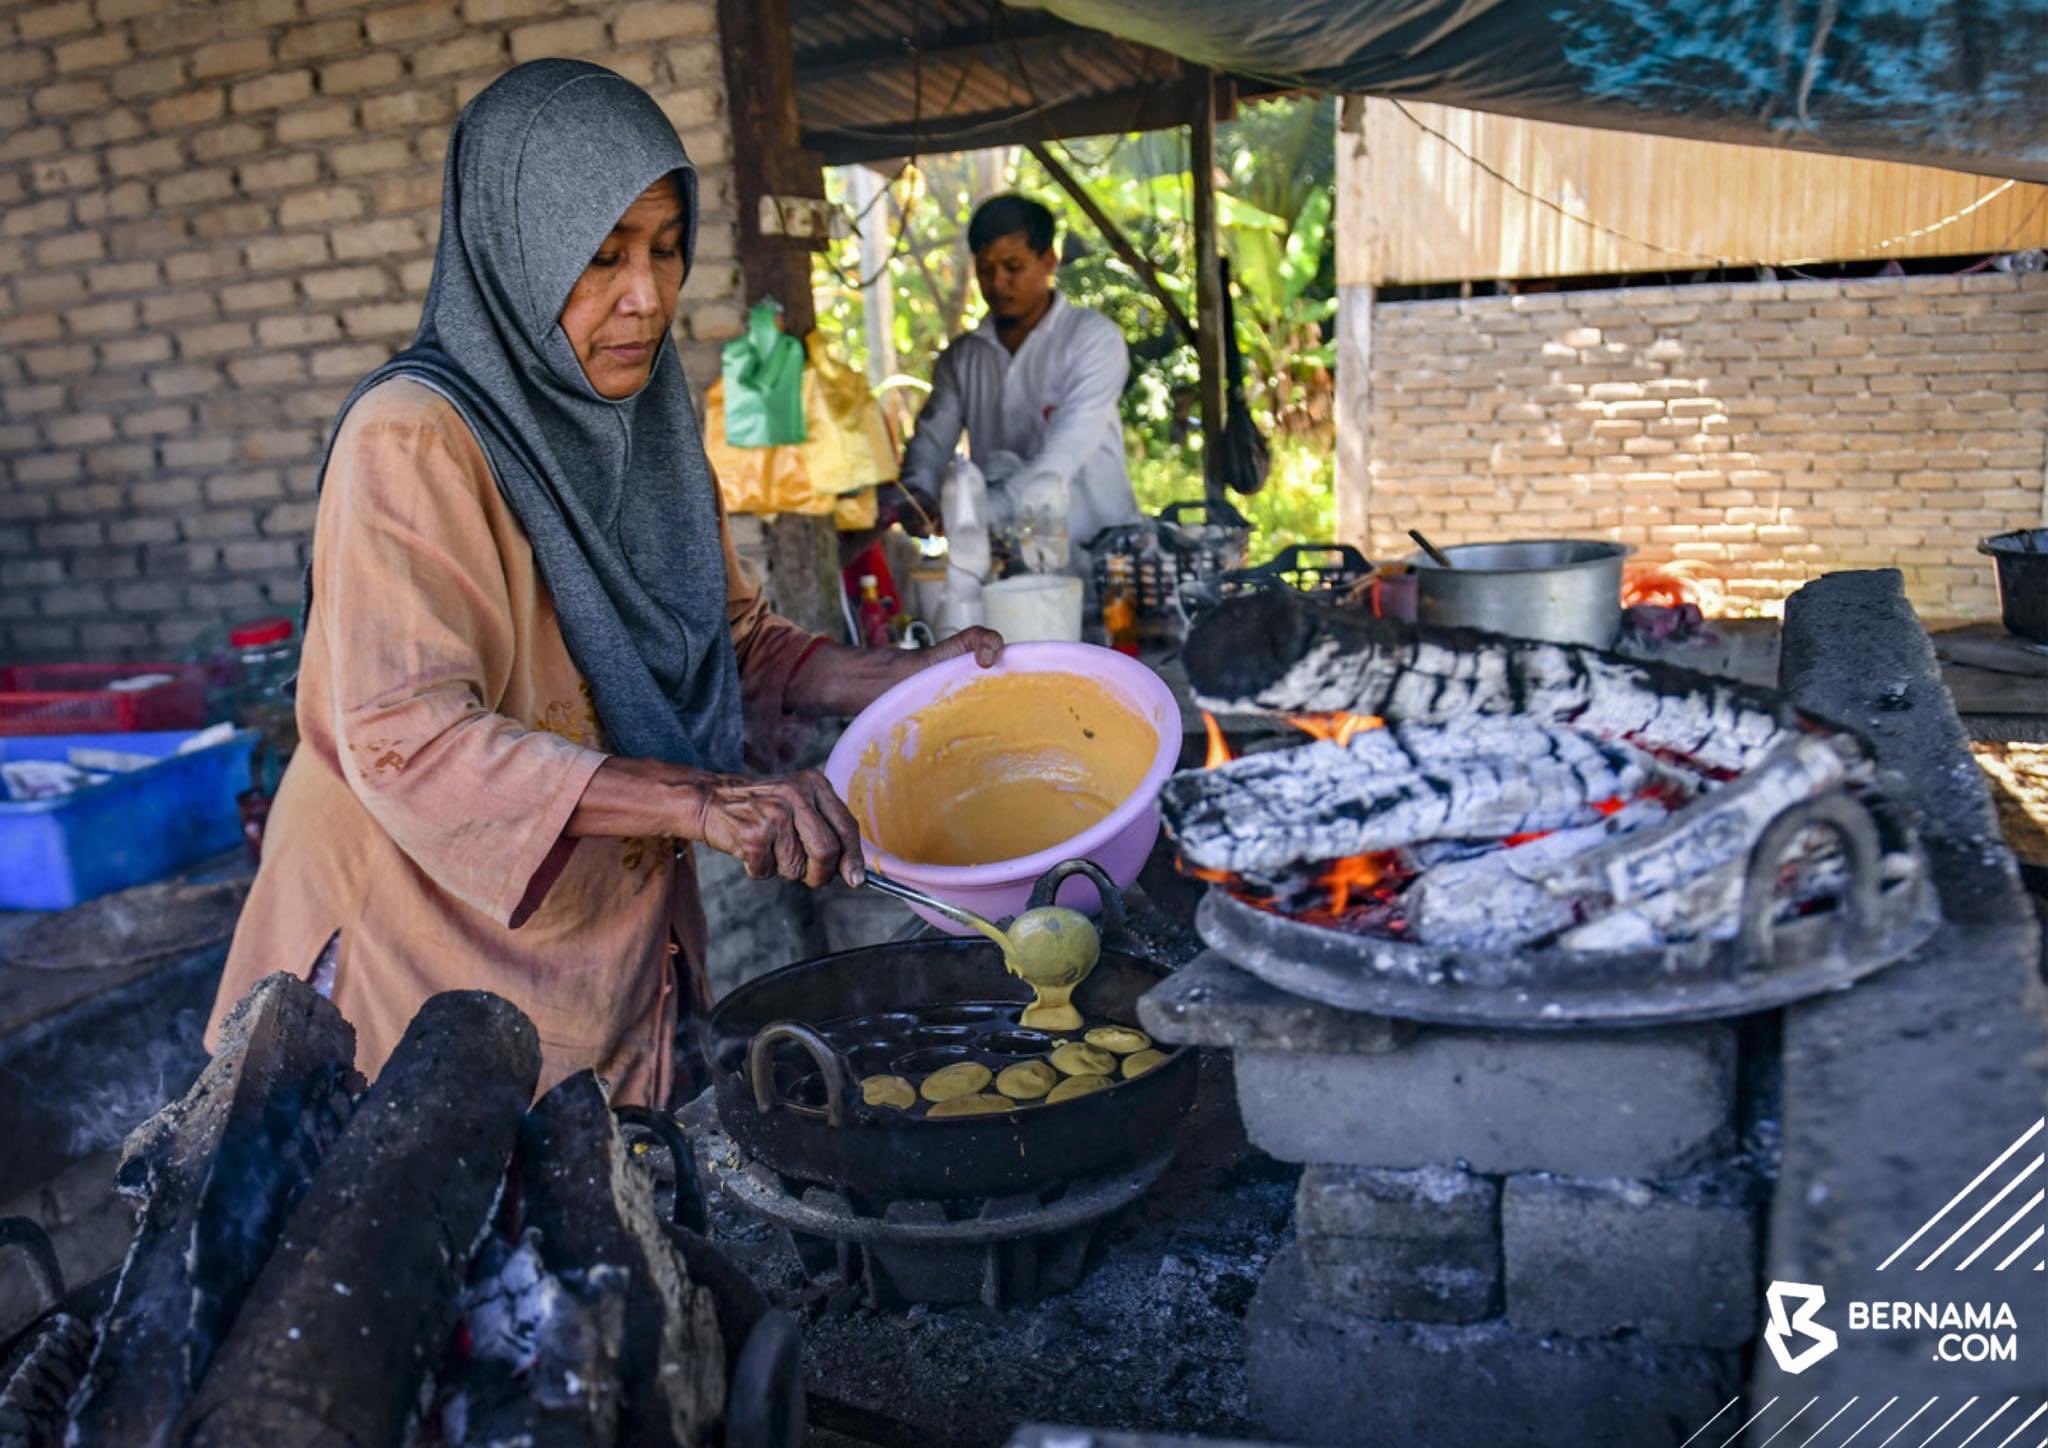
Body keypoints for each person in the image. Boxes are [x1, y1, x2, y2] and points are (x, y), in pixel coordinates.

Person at [203, 60, 1001, 1107]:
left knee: (599, 1220)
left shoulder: (647, 427)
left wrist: (907, 678)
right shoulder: (413, 440)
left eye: (666, 249)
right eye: (601, 256)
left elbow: (728, 643)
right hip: (422, 964)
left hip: (599, 944)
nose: (647, 295)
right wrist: (702, 799)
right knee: (424, 1232)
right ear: (513, 252)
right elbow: (413, 739)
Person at [893, 194, 1141, 574]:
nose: (998, 283)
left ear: (1048, 261)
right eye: (986, 269)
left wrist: (970, 514)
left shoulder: (1093, 340)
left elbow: (1055, 463)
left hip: (1103, 561)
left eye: (1013, 266)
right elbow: (931, 441)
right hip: (1007, 567)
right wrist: (918, 497)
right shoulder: (964, 357)